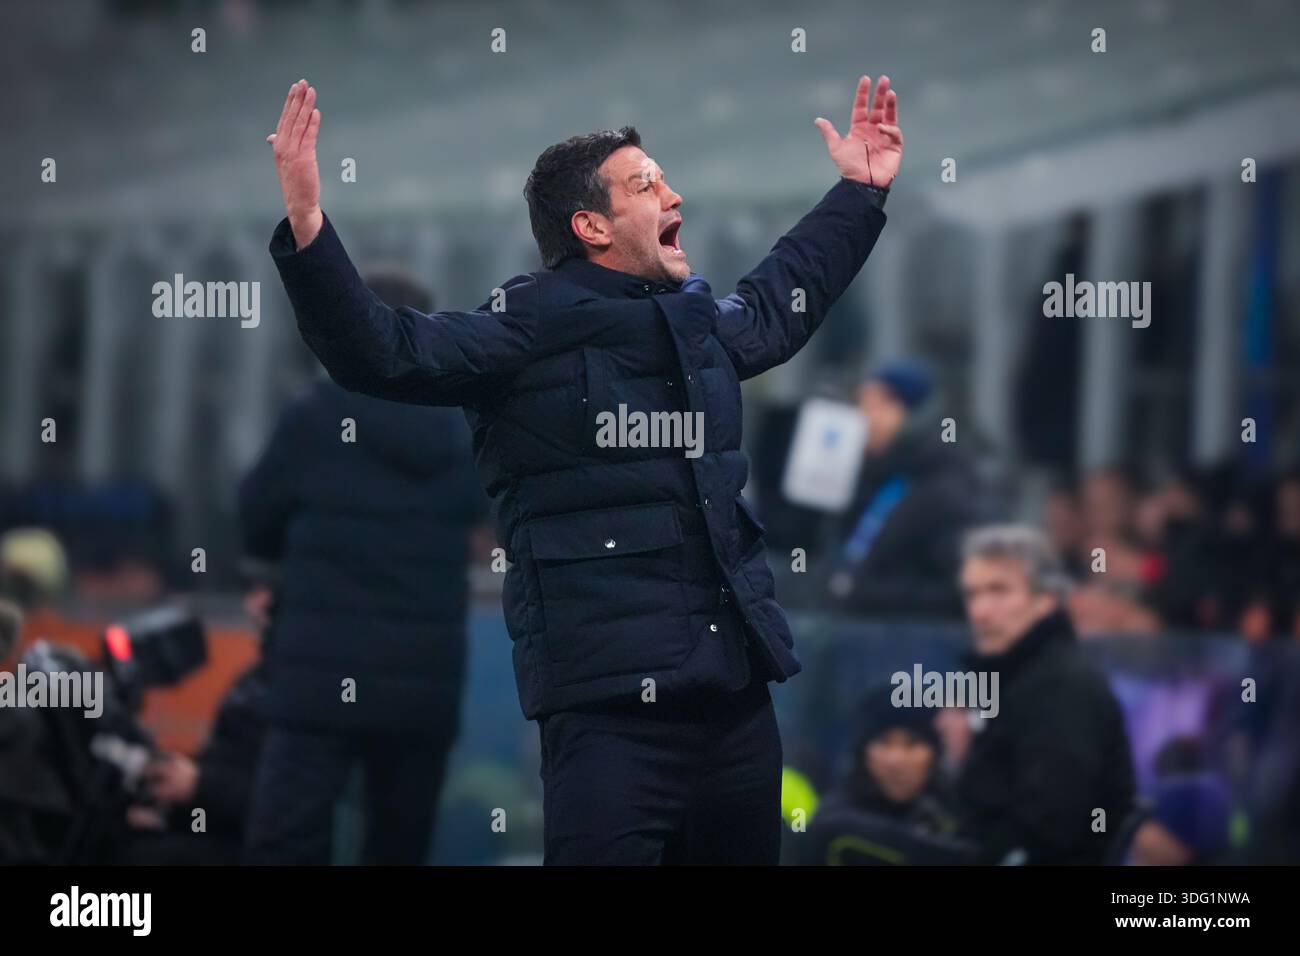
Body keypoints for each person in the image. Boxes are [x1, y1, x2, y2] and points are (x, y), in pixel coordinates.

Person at [264, 73, 902, 864]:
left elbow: (777, 307)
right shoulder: (524, 325)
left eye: (665, 179)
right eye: (647, 185)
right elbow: (383, 350)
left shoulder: (695, 322)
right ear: (592, 225)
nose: (674, 195)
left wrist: (858, 194)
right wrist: (309, 226)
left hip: (736, 698)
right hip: (609, 717)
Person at [240, 269, 489, 865]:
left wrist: (272, 569)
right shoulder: (460, 426)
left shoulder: (314, 416)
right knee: (400, 843)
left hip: (317, 676)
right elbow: (484, 517)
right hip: (422, 679)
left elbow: (256, 510)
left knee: (289, 837)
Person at [954, 524, 1136, 864]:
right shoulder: (1012, 678)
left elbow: (1048, 827)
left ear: (1046, 600)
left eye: (998, 591)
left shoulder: (1062, 688)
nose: (980, 611)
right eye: (972, 594)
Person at [818, 360, 987, 616]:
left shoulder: (945, 490)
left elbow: (956, 590)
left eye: (875, 406)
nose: (862, 417)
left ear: (913, 416)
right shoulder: (879, 477)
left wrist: (865, 596)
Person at [797, 683, 971, 865]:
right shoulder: (836, 828)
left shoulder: (953, 815)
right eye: (883, 742)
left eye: (912, 743)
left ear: (934, 752)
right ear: (863, 752)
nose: (896, 760)